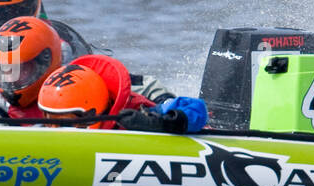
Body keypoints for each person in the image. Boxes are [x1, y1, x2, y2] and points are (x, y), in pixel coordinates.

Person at [37, 55, 208, 132]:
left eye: (63, 123)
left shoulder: (136, 110)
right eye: (49, 121)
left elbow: (197, 109)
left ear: (91, 113)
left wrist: (156, 123)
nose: (53, 130)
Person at [0, 16, 65, 118]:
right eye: (3, 68)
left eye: (19, 69)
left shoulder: (64, 100)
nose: (9, 79)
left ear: (44, 64)